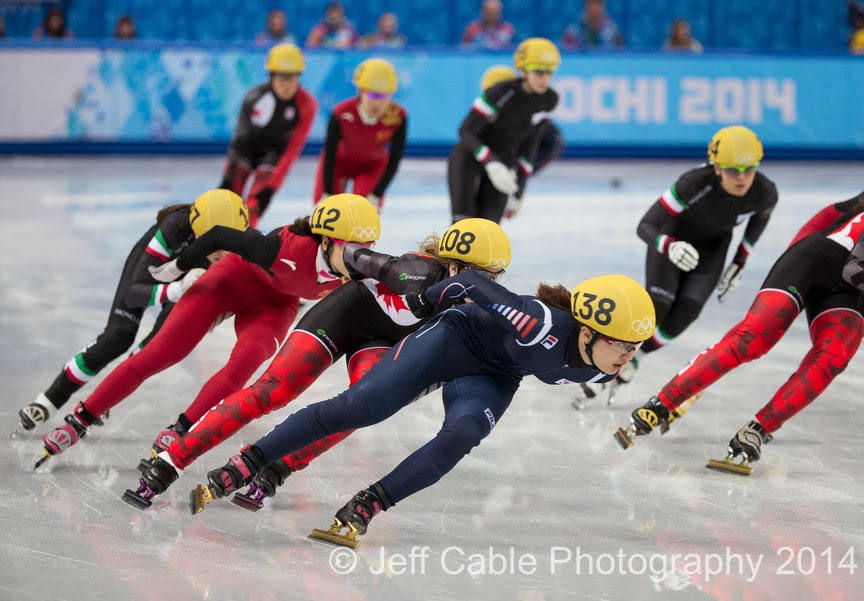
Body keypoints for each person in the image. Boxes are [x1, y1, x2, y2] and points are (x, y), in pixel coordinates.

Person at [194, 272, 655, 546]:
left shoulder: (600, 370)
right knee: (362, 407)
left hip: (496, 374)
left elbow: (533, 366)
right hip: (453, 339)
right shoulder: (535, 322)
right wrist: (421, 303)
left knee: (464, 433)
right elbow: (469, 282)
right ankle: (247, 463)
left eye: (635, 347)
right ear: (588, 331)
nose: (627, 356)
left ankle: (368, 505)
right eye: (621, 345)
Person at [123, 218, 512, 510]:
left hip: (385, 341)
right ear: (454, 268)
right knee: (273, 391)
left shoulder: (482, 304)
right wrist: (330, 253)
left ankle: (282, 465)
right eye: (481, 275)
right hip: (347, 314)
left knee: (361, 406)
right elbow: (353, 255)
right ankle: (175, 458)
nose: (488, 285)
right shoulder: (417, 272)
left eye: (495, 277)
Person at [35, 194, 380, 468]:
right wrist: (177, 268)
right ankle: (81, 417)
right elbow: (217, 235)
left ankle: (181, 429)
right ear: (325, 241)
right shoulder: (283, 248)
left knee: (244, 364)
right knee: (159, 353)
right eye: (350, 247)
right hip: (231, 279)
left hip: (275, 305)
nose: (359, 256)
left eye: (366, 248)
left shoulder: (359, 270)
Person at [614, 188, 864, 475]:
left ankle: (759, 428)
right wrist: (795, 252)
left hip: (849, 290)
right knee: (754, 338)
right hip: (815, 259)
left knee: (835, 356)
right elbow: (849, 259)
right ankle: (662, 403)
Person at [15, 189, 248, 436]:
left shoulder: (242, 239)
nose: (225, 252)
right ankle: (49, 399)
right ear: (199, 233)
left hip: (188, 279)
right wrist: (178, 288)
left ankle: (107, 393)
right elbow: (135, 293)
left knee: (152, 350)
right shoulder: (174, 228)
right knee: (117, 338)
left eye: (229, 242)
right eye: (217, 244)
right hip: (150, 273)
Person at [575, 125, 777, 407]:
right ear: (717, 167)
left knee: (687, 313)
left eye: (749, 169)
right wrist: (669, 245)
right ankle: (603, 366)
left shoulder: (764, 192)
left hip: (713, 247)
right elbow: (645, 225)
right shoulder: (693, 184)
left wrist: (740, 260)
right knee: (658, 307)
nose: (742, 177)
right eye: (733, 170)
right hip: (673, 236)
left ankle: (637, 358)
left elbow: (761, 217)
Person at [449, 38, 560, 224]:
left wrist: (519, 193)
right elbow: (465, 130)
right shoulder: (500, 92)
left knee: (490, 229)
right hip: (469, 158)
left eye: (550, 72)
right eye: (539, 72)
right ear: (523, 70)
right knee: (463, 226)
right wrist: (490, 161)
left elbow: (530, 145)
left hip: (503, 160)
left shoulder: (550, 100)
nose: (545, 79)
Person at [219, 43, 316, 228]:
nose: (287, 85)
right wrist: (228, 175)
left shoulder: (307, 104)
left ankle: (245, 241)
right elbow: (240, 138)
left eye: (292, 78)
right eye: (282, 78)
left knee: (255, 204)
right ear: (271, 76)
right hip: (247, 146)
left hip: (275, 152)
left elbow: (293, 148)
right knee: (227, 198)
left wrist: (272, 185)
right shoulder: (254, 96)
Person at [312, 58, 406, 214]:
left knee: (364, 214)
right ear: (361, 91)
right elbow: (329, 154)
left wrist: (376, 195)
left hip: (371, 167)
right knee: (324, 213)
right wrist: (327, 193)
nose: (378, 103)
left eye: (384, 97)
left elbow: (394, 161)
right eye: (373, 95)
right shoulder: (341, 113)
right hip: (338, 165)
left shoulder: (398, 117)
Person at [479, 64, 566, 219]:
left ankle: (502, 196)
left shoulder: (520, 112)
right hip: (545, 140)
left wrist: (518, 194)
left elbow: (526, 156)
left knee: (510, 171)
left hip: (549, 143)